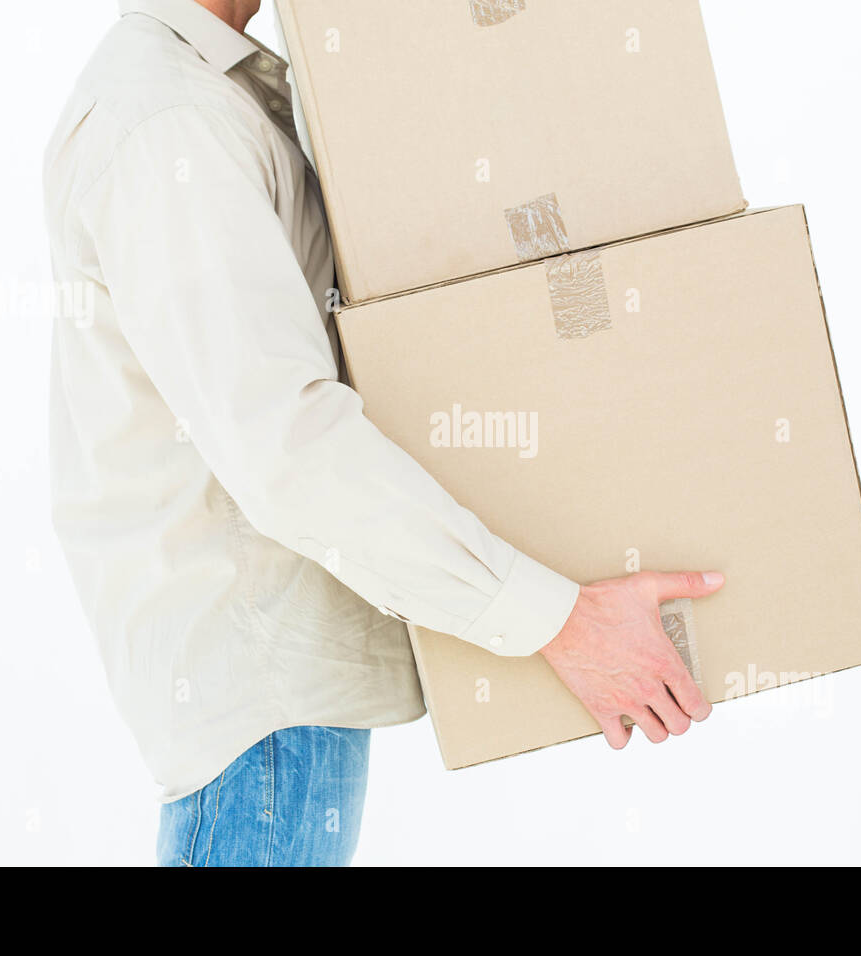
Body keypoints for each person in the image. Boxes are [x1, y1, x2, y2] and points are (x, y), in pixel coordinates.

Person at [43, 0, 726, 867]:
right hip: (263, 714)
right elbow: (288, 446)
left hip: (275, 707)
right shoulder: (169, 119)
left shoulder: (204, 93)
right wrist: (558, 621)